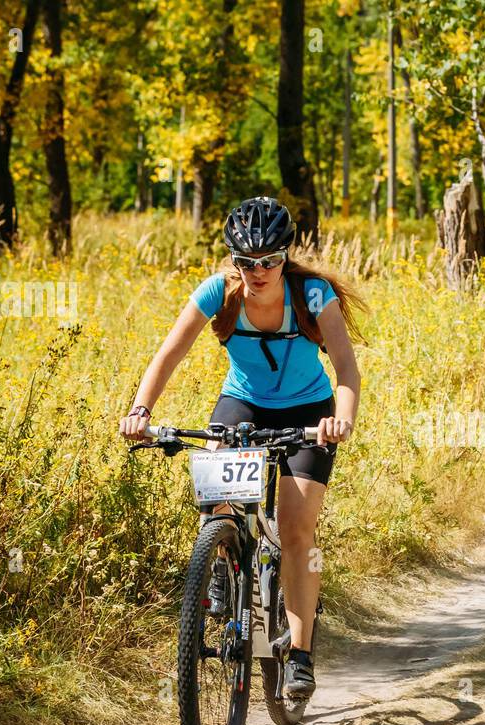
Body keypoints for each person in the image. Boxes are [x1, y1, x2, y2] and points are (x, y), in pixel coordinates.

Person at [119, 197, 364, 699]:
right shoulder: (219, 291)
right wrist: (141, 411)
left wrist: (340, 420)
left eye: (269, 261)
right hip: (244, 402)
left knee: (296, 528)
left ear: (285, 256)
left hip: (308, 411)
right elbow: (169, 354)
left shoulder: (312, 295)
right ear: (234, 259)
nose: (258, 272)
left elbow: (345, 368)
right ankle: (223, 559)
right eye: (247, 262)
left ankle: (298, 655)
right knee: (217, 496)